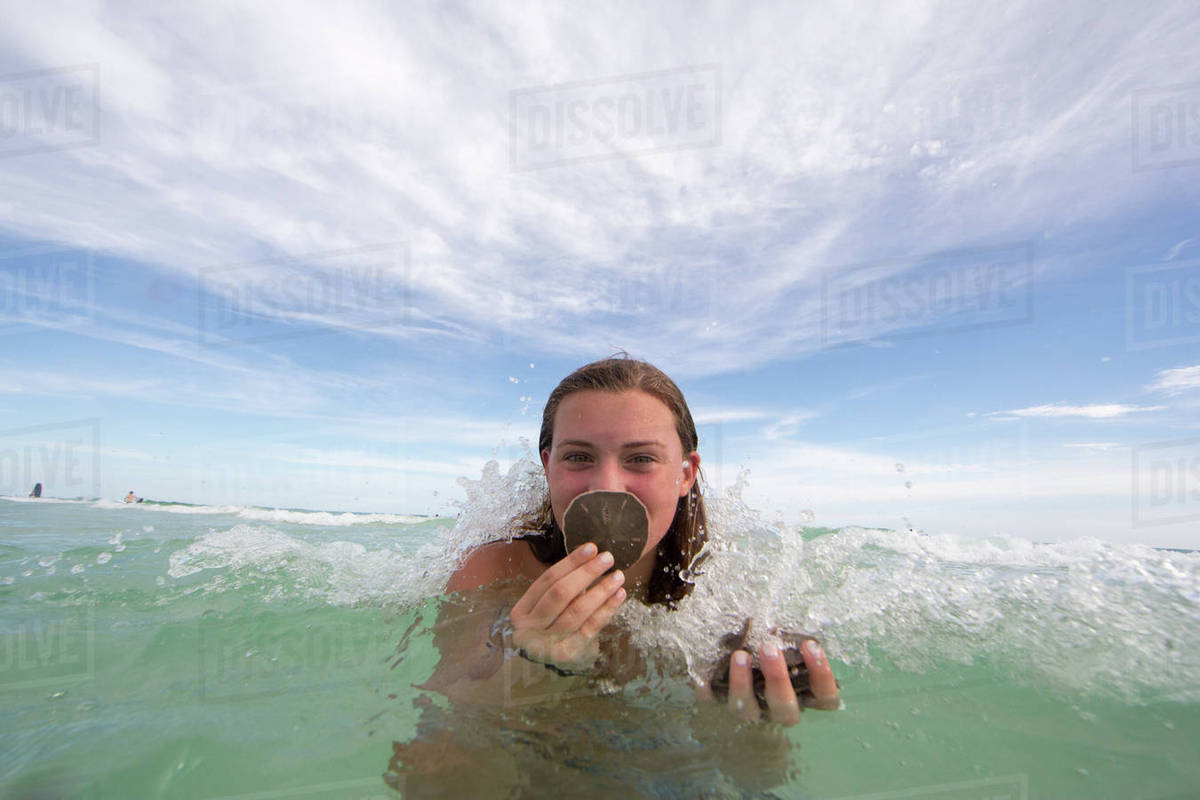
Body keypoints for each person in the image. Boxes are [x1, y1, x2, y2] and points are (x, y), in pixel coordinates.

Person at [428, 355, 839, 724]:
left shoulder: (723, 592)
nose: (606, 486)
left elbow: (757, 770)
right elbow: (442, 731)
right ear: (548, 466)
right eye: (578, 457)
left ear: (685, 474)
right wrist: (533, 664)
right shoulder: (497, 569)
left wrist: (755, 723)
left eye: (640, 459)